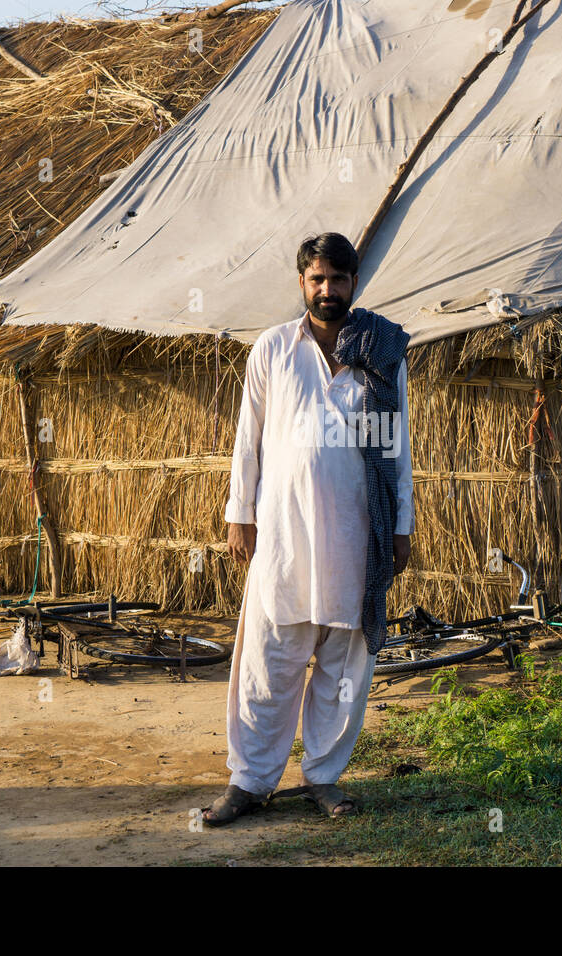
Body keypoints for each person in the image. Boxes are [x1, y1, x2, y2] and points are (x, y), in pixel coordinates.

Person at [202, 232, 413, 825]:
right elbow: (249, 439)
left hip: (356, 532)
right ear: (302, 282)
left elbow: (397, 448)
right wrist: (238, 512)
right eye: (317, 279)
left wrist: (401, 524)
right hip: (282, 533)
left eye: (338, 279)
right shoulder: (272, 348)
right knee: (269, 660)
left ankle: (324, 778)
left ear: (353, 283)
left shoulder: (384, 351)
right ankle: (249, 782)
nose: (328, 290)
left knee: (345, 665)